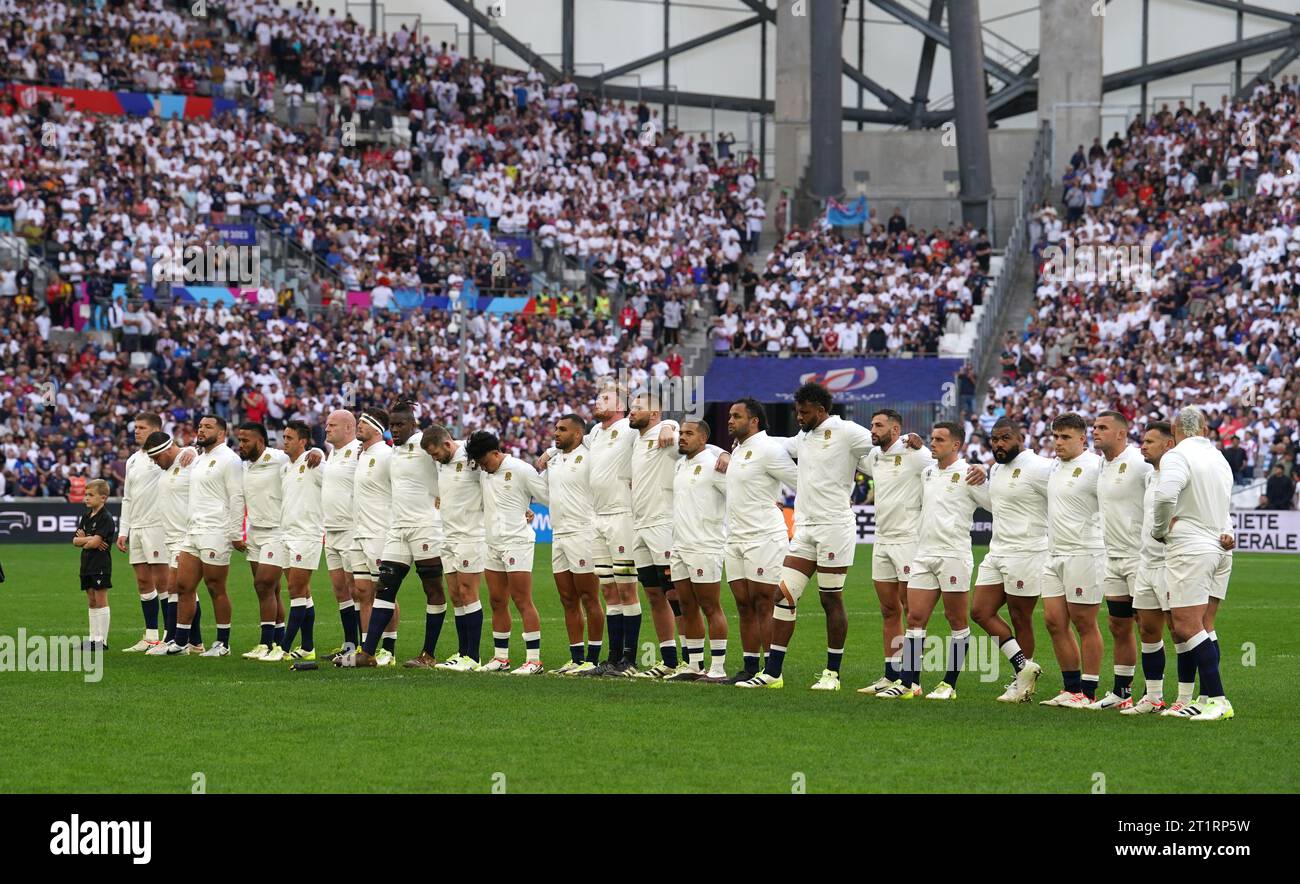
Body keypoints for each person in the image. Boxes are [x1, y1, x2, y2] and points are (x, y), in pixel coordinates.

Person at [738, 383, 876, 690]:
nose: (799, 417)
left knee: (830, 599)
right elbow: (779, 444)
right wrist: (738, 446)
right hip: (804, 528)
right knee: (783, 595)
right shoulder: (803, 437)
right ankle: (773, 673)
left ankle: (832, 674)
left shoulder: (847, 431)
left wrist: (910, 442)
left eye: (804, 412)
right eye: (797, 411)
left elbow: (880, 445)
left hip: (834, 528)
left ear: (822, 410)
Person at [878, 422, 981, 700]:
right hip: (923, 554)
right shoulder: (927, 473)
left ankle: (949, 684)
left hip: (954, 555)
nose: (932, 443)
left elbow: (995, 503)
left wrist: (987, 474)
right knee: (915, 617)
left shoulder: (969, 474)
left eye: (939, 439)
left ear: (955, 445)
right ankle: (909, 683)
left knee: (955, 619)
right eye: (932, 438)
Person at [1153, 407, 1236, 721]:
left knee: (1186, 624)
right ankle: (1203, 698)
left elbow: (1164, 498)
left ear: (1175, 430)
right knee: (1204, 626)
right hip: (1219, 546)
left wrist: (1160, 531)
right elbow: (1225, 504)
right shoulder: (1219, 458)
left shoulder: (1177, 455)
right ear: (1204, 427)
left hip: (1191, 545)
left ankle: (1218, 698)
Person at [965, 417, 1049, 703]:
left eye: (1004, 438)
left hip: (1027, 552)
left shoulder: (1039, 466)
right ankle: (1024, 669)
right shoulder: (996, 468)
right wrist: (979, 480)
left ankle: (1021, 685)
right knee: (980, 612)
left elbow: (1063, 497)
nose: (998, 445)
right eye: (994, 439)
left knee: (1019, 616)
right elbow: (993, 504)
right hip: (997, 551)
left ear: (1019, 437)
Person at [855, 408, 931, 695]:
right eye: (871, 424)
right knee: (889, 610)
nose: (872, 429)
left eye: (878, 425)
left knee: (912, 610)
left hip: (909, 540)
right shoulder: (874, 457)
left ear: (896, 430)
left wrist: (920, 440)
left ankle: (913, 681)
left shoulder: (914, 453)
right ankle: (890, 675)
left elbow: (941, 461)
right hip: (882, 540)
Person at [723, 398, 798, 683]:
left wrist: (784, 507)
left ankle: (771, 670)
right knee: (743, 604)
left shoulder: (768, 450)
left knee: (764, 602)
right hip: (736, 538)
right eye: (729, 415)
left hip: (764, 537)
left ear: (754, 420)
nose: (730, 420)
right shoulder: (738, 449)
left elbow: (801, 480)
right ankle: (750, 666)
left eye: (736, 416)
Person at [1038, 413, 1106, 708]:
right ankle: (1071, 688)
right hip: (1054, 553)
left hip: (1084, 552)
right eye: (1055, 437)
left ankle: (1089, 692)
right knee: (1054, 621)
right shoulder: (1053, 467)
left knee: (1084, 621)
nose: (1058, 442)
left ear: (1082, 439)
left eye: (1065, 437)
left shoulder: (1096, 466)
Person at [467, 430, 548, 675]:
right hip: (492, 543)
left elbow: (547, 495)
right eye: (479, 464)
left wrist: (528, 509)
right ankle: (501, 657)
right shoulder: (484, 473)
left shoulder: (521, 469)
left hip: (517, 542)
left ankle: (534, 660)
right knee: (497, 601)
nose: (483, 467)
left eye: (485, 462)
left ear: (495, 453)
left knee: (522, 599)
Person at [168, 415, 246, 657]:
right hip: (193, 531)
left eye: (208, 427)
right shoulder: (199, 458)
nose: (201, 430)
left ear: (221, 433)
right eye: (200, 426)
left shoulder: (230, 460)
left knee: (215, 587)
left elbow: (236, 497)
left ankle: (223, 643)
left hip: (217, 531)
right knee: (183, 586)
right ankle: (181, 642)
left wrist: (234, 532)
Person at [1090, 410, 1152, 710]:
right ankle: (1122, 692)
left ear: (1121, 434)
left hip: (1139, 557)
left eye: (1103, 427)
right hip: (1111, 557)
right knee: (1118, 624)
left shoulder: (1140, 463)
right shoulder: (1101, 464)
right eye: (1094, 427)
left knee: (1148, 626)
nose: (1096, 431)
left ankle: (1154, 693)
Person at [538, 414, 605, 675]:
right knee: (567, 599)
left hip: (584, 533)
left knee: (590, 597)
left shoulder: (590, 452)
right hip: (559, 534)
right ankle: (576, 658)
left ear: (578, 434)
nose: (556, 433)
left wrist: (548, 449)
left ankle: (594, 658)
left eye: (562, 429)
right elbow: (542, 490)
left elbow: (600, 431)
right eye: (555, 429)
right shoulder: (554, 460)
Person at [667, 419, 730, 681]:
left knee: (710, 605)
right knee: (686, 605)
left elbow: (735, 494)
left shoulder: (715, 464)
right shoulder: (681, 464)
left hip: (706, 545)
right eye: (680, 433)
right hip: (680, 546)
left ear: (703, 439)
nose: (682, 437)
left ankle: (717, 668)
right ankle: (694, 665)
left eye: (688, 434)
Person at [423, 425, 489, 672]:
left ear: (448, 445)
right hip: (447, 535)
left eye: (435, 453)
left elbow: (495, 472)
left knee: (469, 592)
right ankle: (462, 653)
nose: (434, 459)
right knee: (456, 595)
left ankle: (473, 656)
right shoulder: (441, 462)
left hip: (470, 535)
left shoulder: (472, 457)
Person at [1122, 421, 1175, 715]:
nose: (1143, 445)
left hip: (1170, 562)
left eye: (1150, 441)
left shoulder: (1178, 475)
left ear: (1168, 445)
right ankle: (1153, 697)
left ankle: (1185, 696)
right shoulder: (1150, 477)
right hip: (1146, 562)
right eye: (1143, 440)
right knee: (1148, 629)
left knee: (1181, 630)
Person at [143, 432, 205, 656]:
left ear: (168, 450)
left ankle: (172, 639)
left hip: (187, 535)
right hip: (172, 537)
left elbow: (208, 461)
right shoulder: (167, 467)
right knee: (185, 590)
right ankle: (195, 642)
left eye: (156, 457)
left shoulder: (192, 461)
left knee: (175, 587)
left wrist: (192, 449)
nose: (154, 463)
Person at [234, 421, 290, 660]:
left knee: (263, 584)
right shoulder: (244, 467)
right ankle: (277, 641)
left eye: (245, 441)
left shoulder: (278, 458)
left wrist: (317, 452)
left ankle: (267, 642)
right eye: (239, 440)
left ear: (260, 441)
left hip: (277, 531)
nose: (241, 445)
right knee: (270, 590)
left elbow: (306, 454)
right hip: (255, 532)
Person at [271, 420, 325, 661]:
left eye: (290, 438)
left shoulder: (314, 463)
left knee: (295, 589)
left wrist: (320, 451)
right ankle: (308, 647)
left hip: (307, 534)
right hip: (287, 533)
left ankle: (282, 648)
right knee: (303, 592)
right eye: (284, 437)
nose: (285, 441)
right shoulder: (285, 468)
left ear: (303, 441)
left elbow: (333, 475)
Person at [117, 412, 168, 652]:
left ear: (157, 429)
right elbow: (127, 497)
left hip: (158, 525)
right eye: (135, 427)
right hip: (136, 527)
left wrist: (189, 452)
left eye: (142, 427)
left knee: (164, 581)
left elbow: (189, 454)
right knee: (143, 581)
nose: (136, 431)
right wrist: (123, 530)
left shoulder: (167, 455)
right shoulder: (133, 460)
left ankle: (170, 636)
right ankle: (150, 636)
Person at [320, 410, 363, 658]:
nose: (327, 429)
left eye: (332, 425)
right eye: (327, 424)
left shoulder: (359, 450)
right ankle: (349, 645)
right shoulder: (331, 453)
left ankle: (363, 646)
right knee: (340, 589)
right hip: (331, 529)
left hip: (351, 528)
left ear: (348, 428)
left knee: (358, 588)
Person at [74, 479, 117, 652]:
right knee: (91, 600)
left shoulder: (105, 518)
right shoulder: (86, 517)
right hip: (86, 563)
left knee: (100, 599)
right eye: (85, 495)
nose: (86, 498)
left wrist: (89, 540)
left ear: (103, 498)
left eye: (90, 495)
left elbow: (94, 543)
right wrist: (90, 539)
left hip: (100, 564)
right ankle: (92, 639)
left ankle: (102, 641)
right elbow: (75, 541)